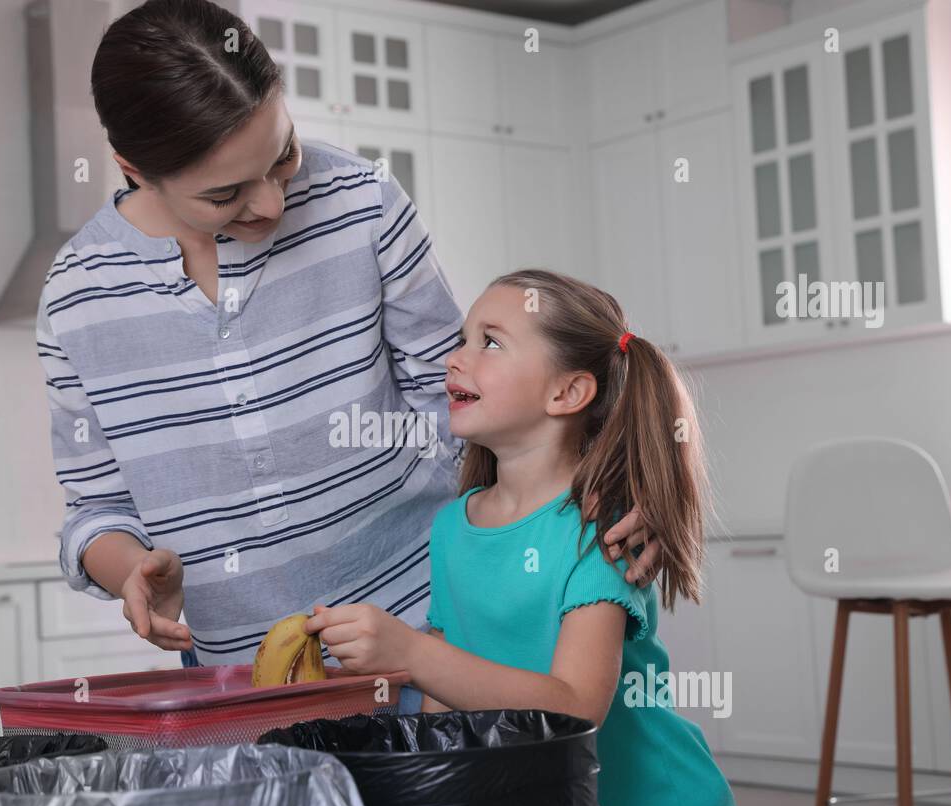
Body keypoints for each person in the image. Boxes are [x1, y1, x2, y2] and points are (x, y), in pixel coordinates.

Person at [36, 0, 662, 708]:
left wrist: (600, 485)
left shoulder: (360, 201)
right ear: (133, 169)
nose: (272, 204)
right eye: (225, 194)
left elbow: (463, 403)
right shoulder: (75, 297)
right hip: (244, 680)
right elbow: (96, 507)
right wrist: (129, 569)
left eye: (284, 155)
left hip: (431, 633)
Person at [304, 270, 751, 806]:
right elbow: (446, 700)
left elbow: (574, 708)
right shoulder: (452, 527)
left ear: (567, 393)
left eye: (490, 342)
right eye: (463, 339)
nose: (455, 358)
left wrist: (410, 654)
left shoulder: (600, 530)